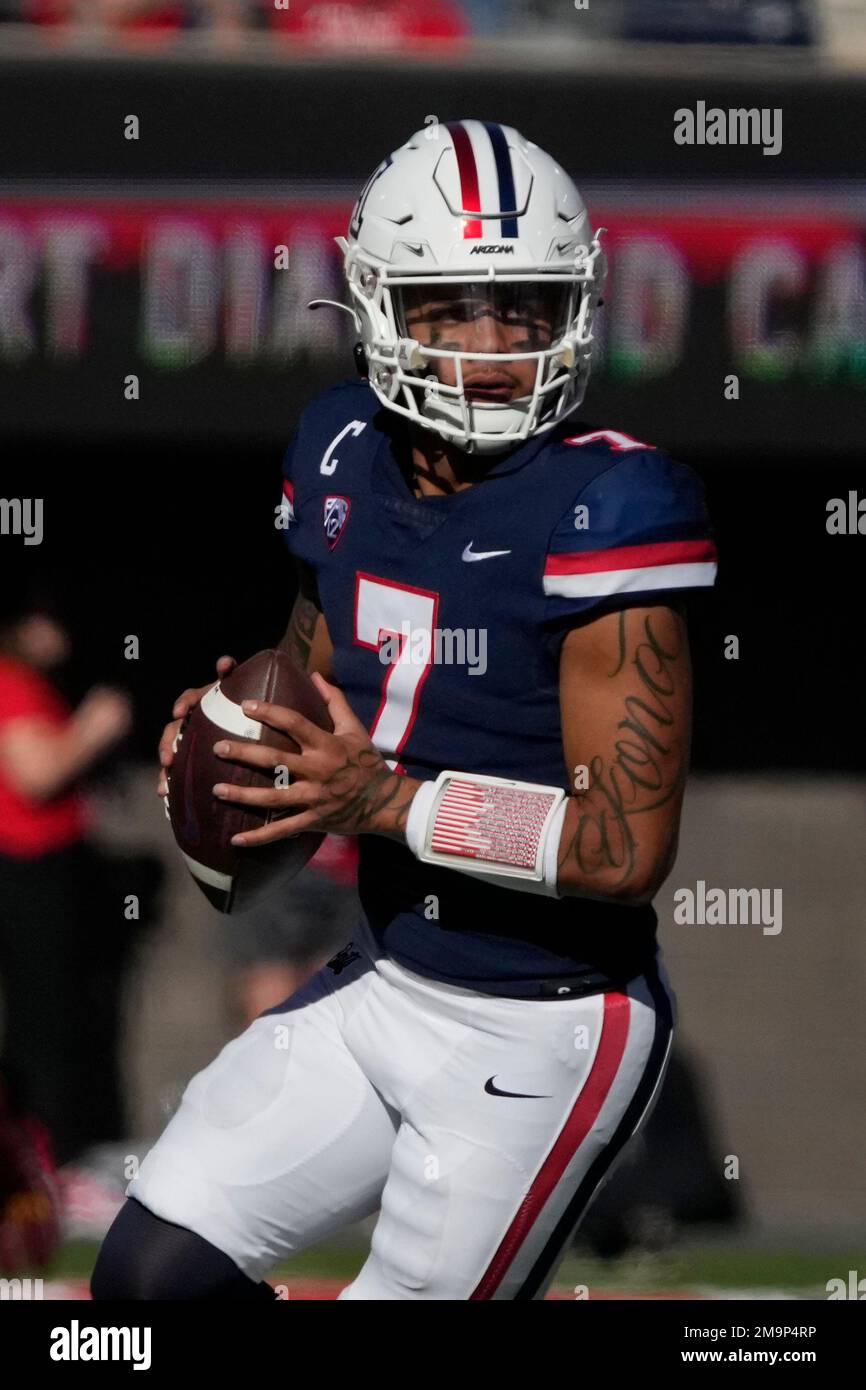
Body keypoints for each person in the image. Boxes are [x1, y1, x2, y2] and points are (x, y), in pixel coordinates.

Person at [92, 120, 717, 1301]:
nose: (489, 348)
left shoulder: (610, 502)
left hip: (545, 1027)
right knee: (146, 1281)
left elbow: (624, 848)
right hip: (382, 975)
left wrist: (379, 796)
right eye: (449, 308)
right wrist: (227, 750)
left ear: (571, 310)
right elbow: (301, 696)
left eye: (521, 309)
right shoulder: (337, 449)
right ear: (380, 305)